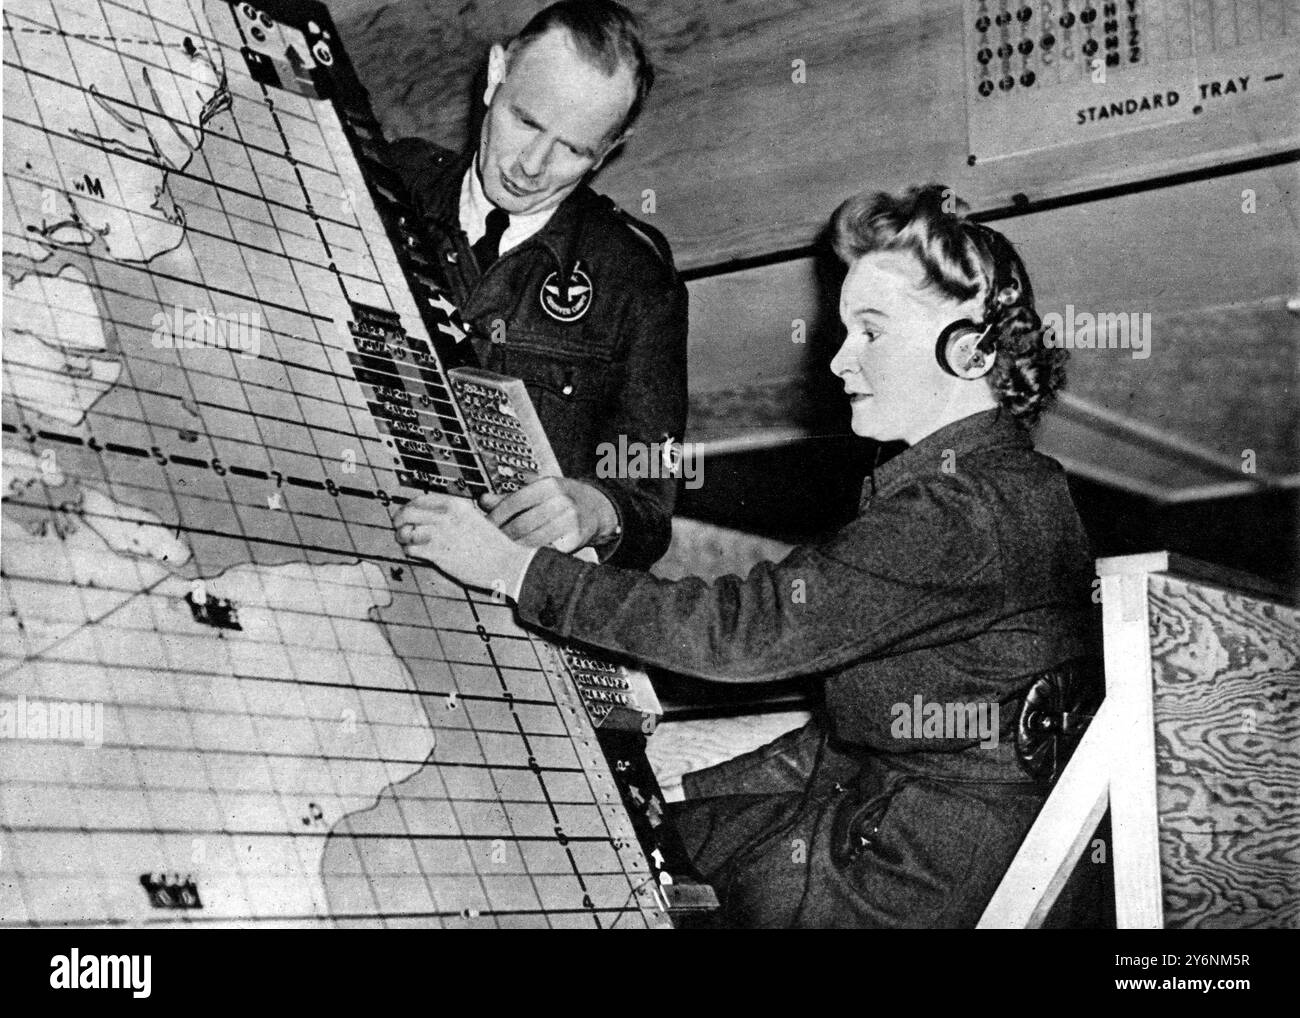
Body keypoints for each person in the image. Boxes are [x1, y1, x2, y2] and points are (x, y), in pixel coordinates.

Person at [393, 184, 1099, 928]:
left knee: (579, 882)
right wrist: (688, 792)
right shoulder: (1016, 485)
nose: (839, 361)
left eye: (870, 331)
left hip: (910, 879)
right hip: (914, 823)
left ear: (969, 347)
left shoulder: (958, 512)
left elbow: (743, 633)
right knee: (638, 839)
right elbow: (864, 726)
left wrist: (512, 568)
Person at [391, 0, 687, 569]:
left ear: (611, 148)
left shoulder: (637, 280)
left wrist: (597, 510)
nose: (530, 165)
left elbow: (651, 500)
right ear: (495, 73)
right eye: (525, 121)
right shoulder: (389, 178)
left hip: (503, 592)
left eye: (573, 149)